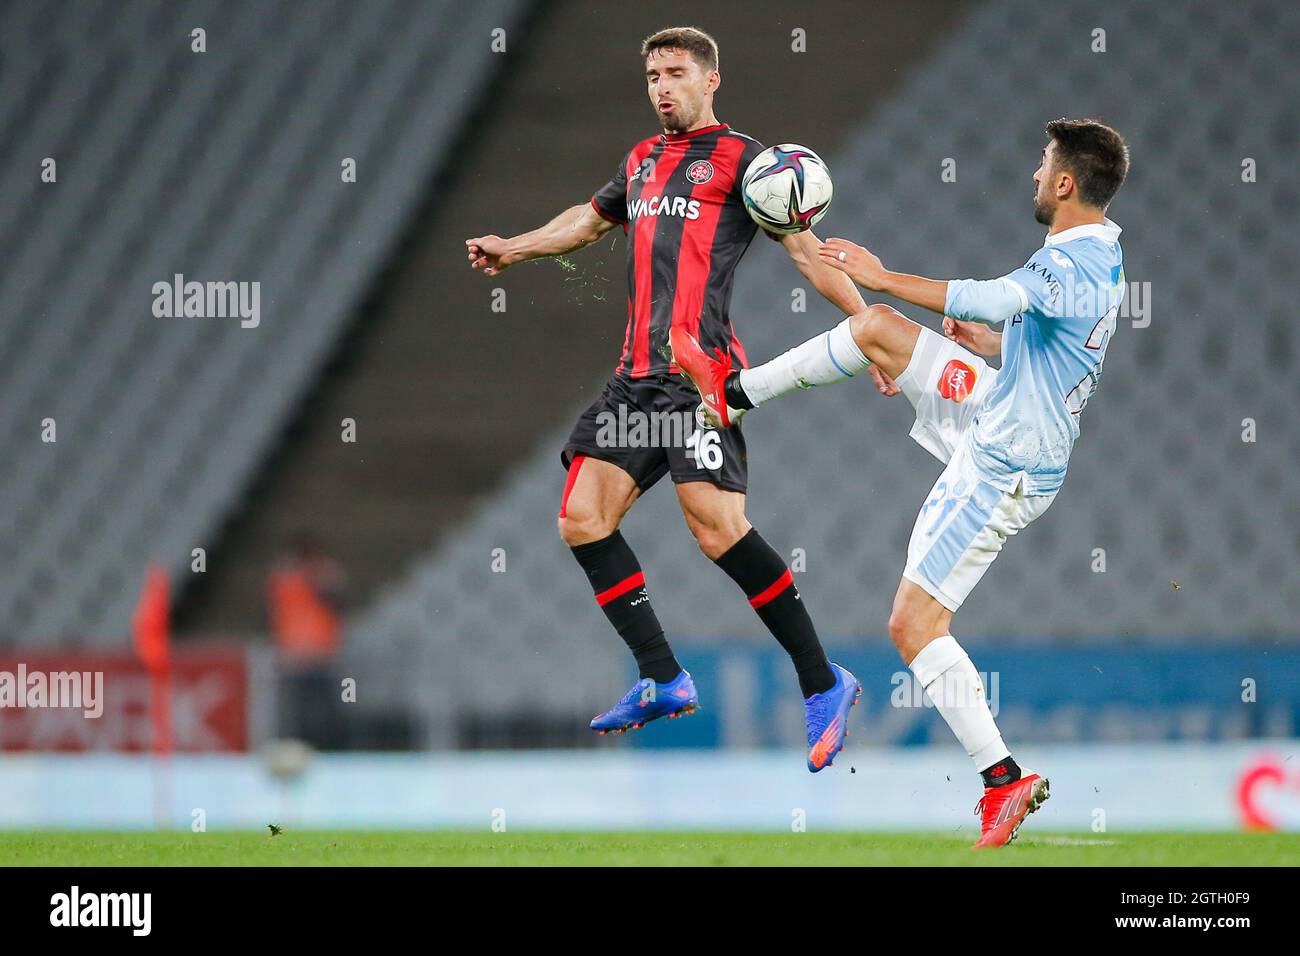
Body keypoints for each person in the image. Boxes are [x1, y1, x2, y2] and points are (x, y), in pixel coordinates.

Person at [673, 118, 1129, 845]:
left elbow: (991, 296)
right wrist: (989, 344)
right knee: (878, 329)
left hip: (1005, 459)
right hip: (1005, 407)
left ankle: (1001, 779)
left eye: (1044, 165)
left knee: (913, 627)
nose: (1035, 176)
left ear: (1067, 182)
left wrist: (880, 273)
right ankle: (733, 396)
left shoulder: (1066, 264)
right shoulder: (1103, 252)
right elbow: (1041, 334)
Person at [464, 26, 895, 771]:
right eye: (653, 75)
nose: (662, 86)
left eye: (675, 73)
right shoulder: (641, 159)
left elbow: (805, 253)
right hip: (634, 379)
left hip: (699, 381)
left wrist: (868, 329)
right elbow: (588, 222)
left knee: (719, 532)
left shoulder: (747, 162)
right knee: (581, 519)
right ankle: (662, 676)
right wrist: (517, 245)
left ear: (711, 80)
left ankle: (824, 683)